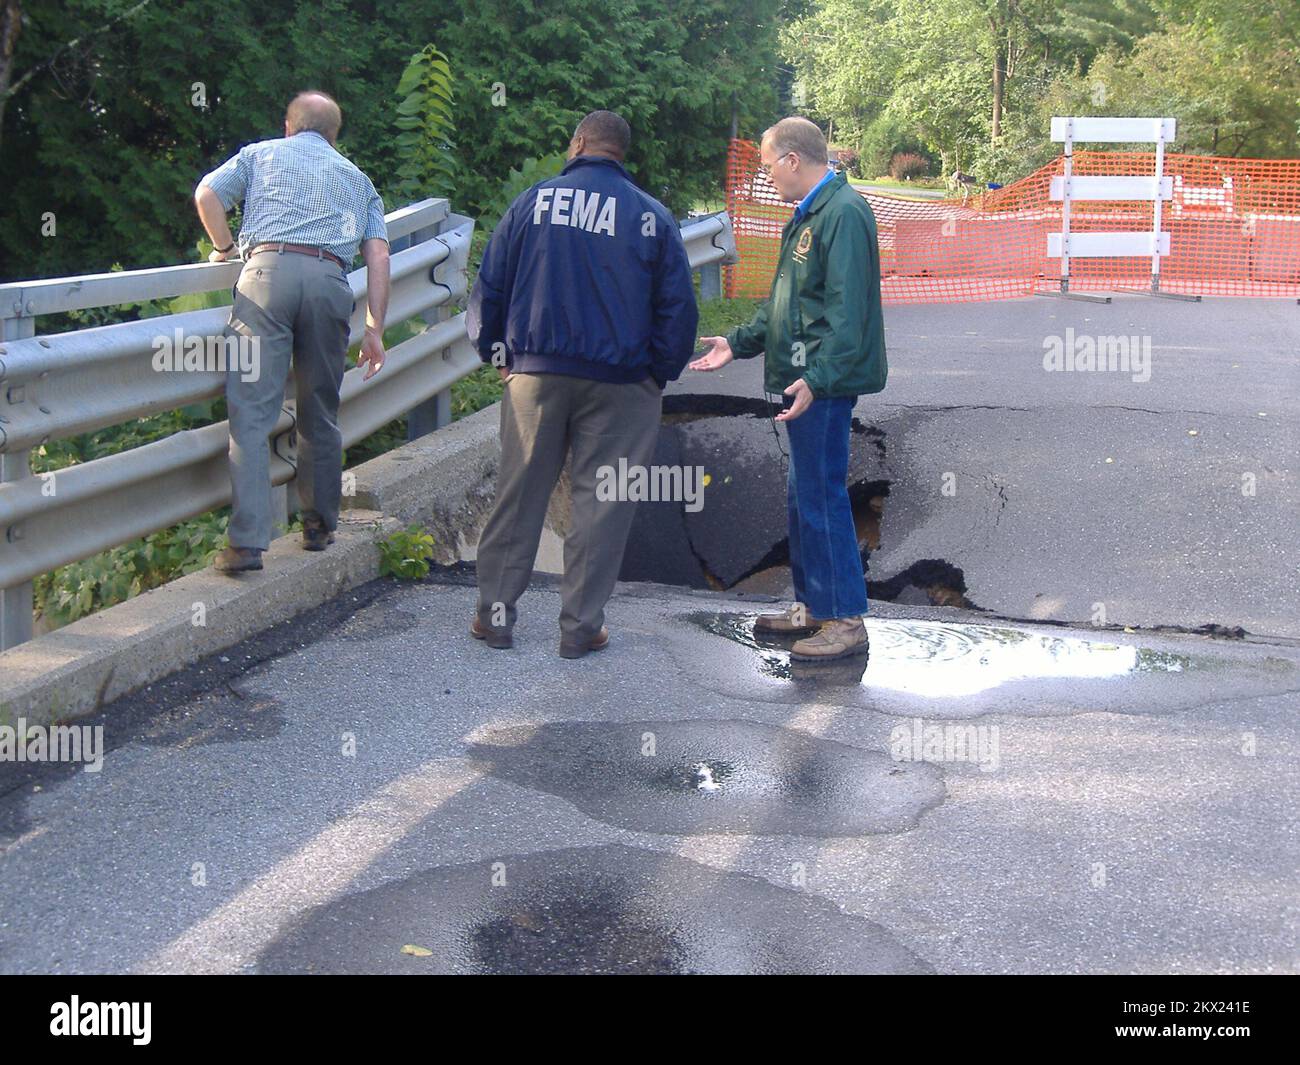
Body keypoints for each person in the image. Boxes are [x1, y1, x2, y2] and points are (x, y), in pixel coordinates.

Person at [467, 109, 698, 658]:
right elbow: (677, 309)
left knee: (519, 495)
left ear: (577, 145)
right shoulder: (651, 216)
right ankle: (579, 628)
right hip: (622, 381)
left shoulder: (532, 203)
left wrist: (497, 351)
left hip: (536, 374)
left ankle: (495, 618)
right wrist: (658, 372)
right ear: (622, 153)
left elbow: (490, 287)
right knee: (603, 503)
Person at [691, 116, 886, 662]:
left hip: (821, 381)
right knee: (806, 499)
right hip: (807, 378)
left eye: (767, 165)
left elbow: (848, 315)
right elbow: (790, 305)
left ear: (793, 160)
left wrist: (818, 380)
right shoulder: (811, 214)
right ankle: (811, 609)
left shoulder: (842, 215)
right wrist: (738, 341)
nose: (765, 177)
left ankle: (846, 620)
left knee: (821, 498)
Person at [194, 90, 390, 574]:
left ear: (289, 126)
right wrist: (374, 329)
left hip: (266, 278)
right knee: (320, 410)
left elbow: (207, 195)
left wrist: (223, 246)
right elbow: (379, 255)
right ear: (333, 134)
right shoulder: (356, 178)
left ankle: (247, 544)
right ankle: (319, 526)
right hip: (328, 282)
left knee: (252, 414)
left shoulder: (260, 155)